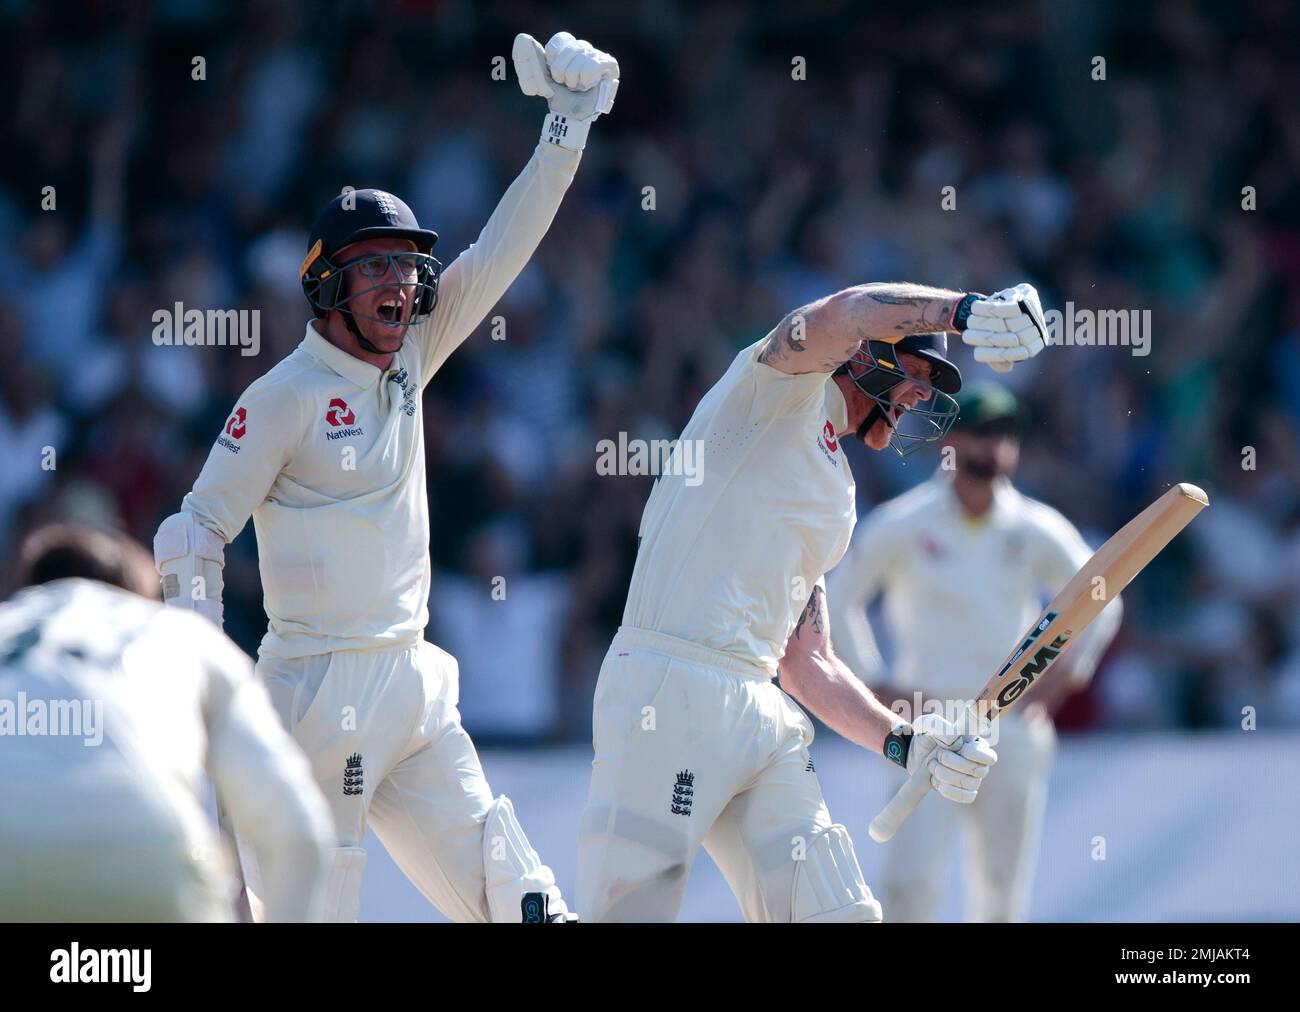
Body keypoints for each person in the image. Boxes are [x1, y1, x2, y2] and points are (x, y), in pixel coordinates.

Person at [153, 31, 619, 922]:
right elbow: (193, 532)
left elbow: (500, 254)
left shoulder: (411, 360)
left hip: (411, 687)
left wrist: (567, 127)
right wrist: (202, 696)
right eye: (374, 266)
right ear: (326, 286)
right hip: (314, 693)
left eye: (406, 265)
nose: (399, 284)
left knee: (527, 904)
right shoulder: (282, 396)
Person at [575, 281, 1050, 921]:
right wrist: (963, 312)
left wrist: (904, 742)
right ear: (865, 355)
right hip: (669, 688)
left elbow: (808, 662)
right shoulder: (775, 392)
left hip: (761, 710)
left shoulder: (838, 489)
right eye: (914, 369)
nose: (920, 395)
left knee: (842, 915)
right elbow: (839, 312)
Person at [827, 382, 1123, 921]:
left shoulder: (1034, 527)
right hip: (929, 719)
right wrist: (874, 683)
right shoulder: (907, 521)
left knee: (1001, 888)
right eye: (983, 434)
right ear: (954, 440)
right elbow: (839, 596)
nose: (995, 448)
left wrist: (1067, 675)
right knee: (911, 885)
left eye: (1007, 436)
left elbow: (1105, 597)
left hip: (1008, 722)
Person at [0, 525, 331, 922]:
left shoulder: (9, 627)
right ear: (139, 594)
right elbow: (299, 831)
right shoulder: (180, 633)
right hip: (149, 852)